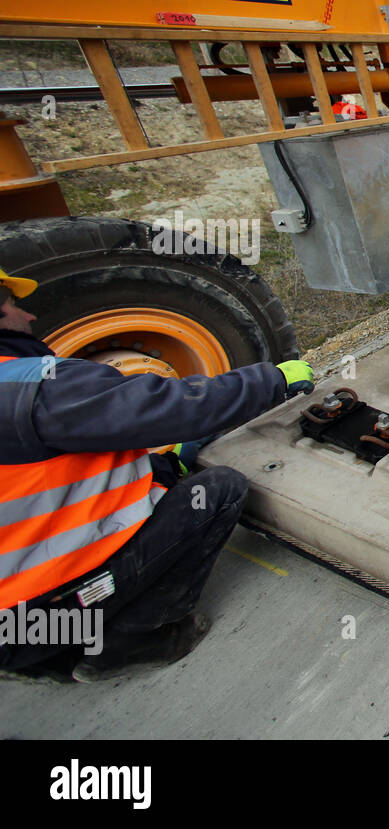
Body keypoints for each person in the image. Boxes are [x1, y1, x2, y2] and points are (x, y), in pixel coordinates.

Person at [0, 269, 315, 682]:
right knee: (219, 490)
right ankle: (134, 640)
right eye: (9, 305)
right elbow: (176, 406)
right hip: (40, 612)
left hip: (15, 624)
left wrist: (166, 467)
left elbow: (48, 475)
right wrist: (272, 378)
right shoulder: (27, 389)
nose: (27, 317)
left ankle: (51, 659)